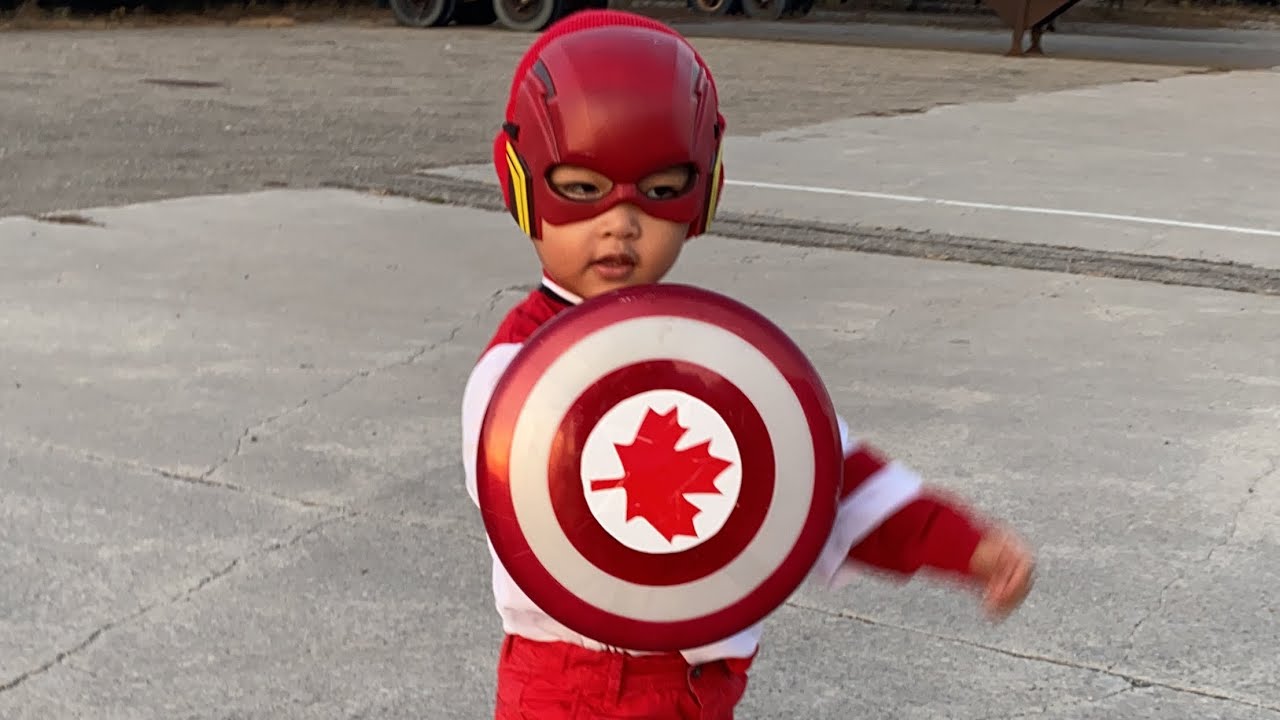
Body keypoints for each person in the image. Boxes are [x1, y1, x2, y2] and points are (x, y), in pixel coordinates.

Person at [460, 9, 1036, 719]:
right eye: (581, 189)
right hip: (578, 682)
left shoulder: (706, 354)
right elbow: (541, 509)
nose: (620, 223)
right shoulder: (520, 373)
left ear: (703, 192)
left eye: (660, 190)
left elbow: (822, 473)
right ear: (522, 183)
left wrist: (960, 543)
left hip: (698, 684)